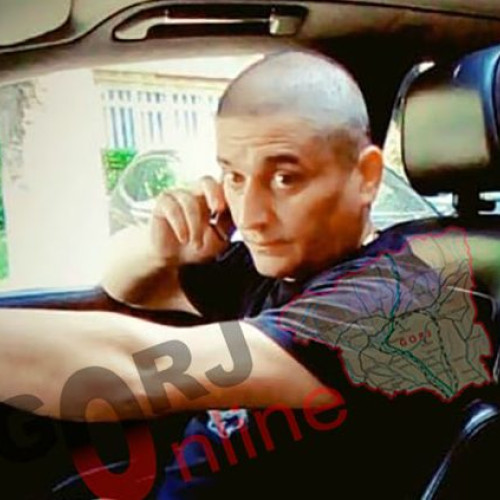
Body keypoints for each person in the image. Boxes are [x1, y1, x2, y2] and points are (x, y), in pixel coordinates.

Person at [0, 50, 494, 498]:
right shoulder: (280, 267)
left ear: (365, 177)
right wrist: (162, 248)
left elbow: (132, 369)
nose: (251, 215)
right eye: (234, 176)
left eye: (284, 178)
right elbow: (126, 286)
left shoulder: (399, 299)